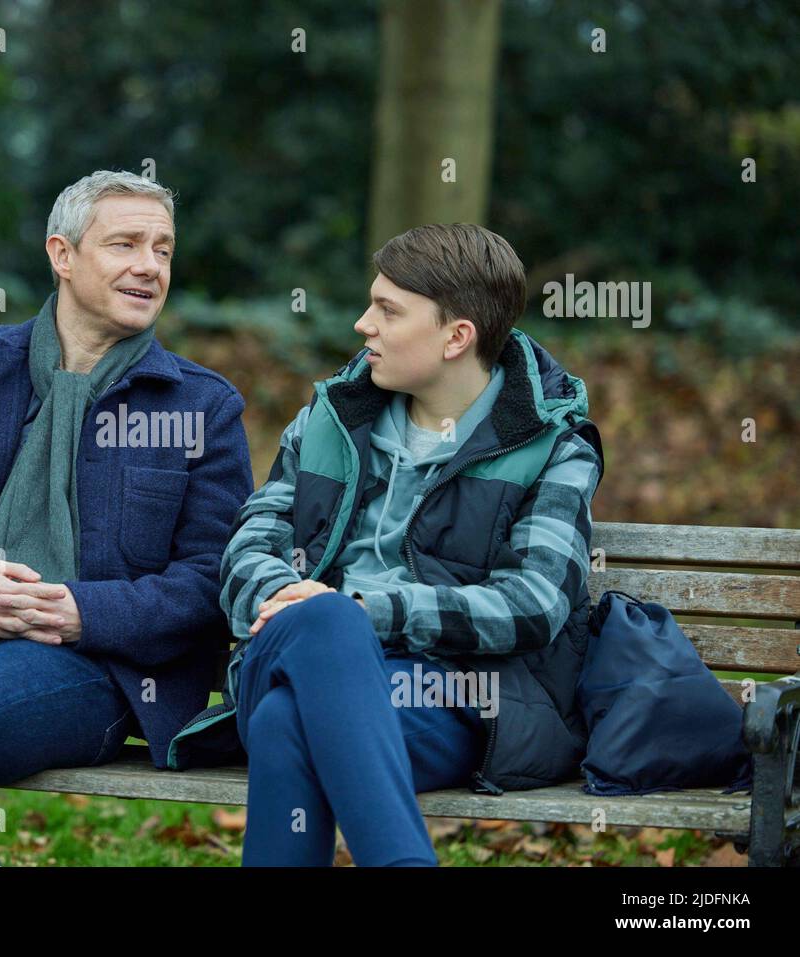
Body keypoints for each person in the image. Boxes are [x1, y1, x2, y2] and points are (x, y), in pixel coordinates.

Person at [0, 170, 253, 866]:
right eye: (125, 244)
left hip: (96, 668)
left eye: (163, 249)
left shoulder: (201, 407)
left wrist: (78, 613)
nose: (149, 266)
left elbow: (207, 582)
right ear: (61, 255)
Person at [169, 223, 605, 866]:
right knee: (322, 626)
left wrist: (366, 610)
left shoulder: (552, 447)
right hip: (287, 650)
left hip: (449, 698)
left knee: (286, 722)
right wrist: (301, 602)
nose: (361, 325)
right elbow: (250, 543)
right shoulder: (331, 420)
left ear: (456, 336)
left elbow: (537, 602)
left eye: (388, 310)